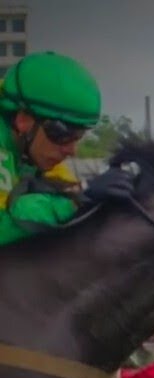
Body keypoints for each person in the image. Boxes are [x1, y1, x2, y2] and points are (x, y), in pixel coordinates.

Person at [0, 51, 102, 246]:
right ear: (23, 120)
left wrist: (93, 192)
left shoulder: (37, 149)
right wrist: (74, 203)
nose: (71, 150)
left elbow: (71, 191)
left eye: (78, 137)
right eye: (62, 134)